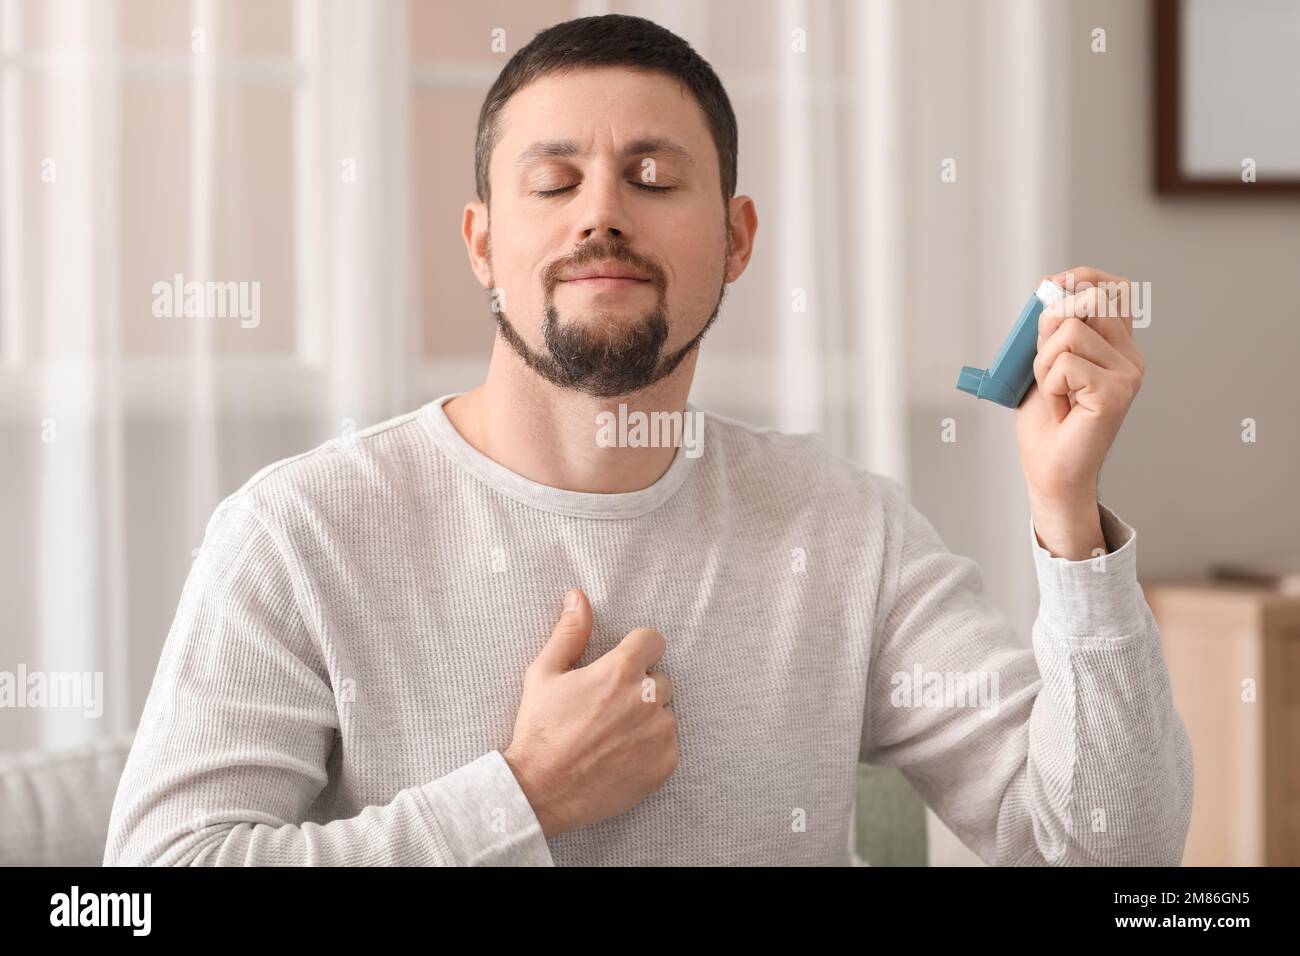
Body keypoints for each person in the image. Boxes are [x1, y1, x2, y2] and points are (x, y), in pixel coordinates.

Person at [105, 14, 1192, 866]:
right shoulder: (298, 530)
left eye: (654, 178)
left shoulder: (845, 529)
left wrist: (1069, 520)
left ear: (735, 240)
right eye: (552, 179)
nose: (601, 214)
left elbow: (1100, 848)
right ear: (482, 242)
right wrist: (521, 797)